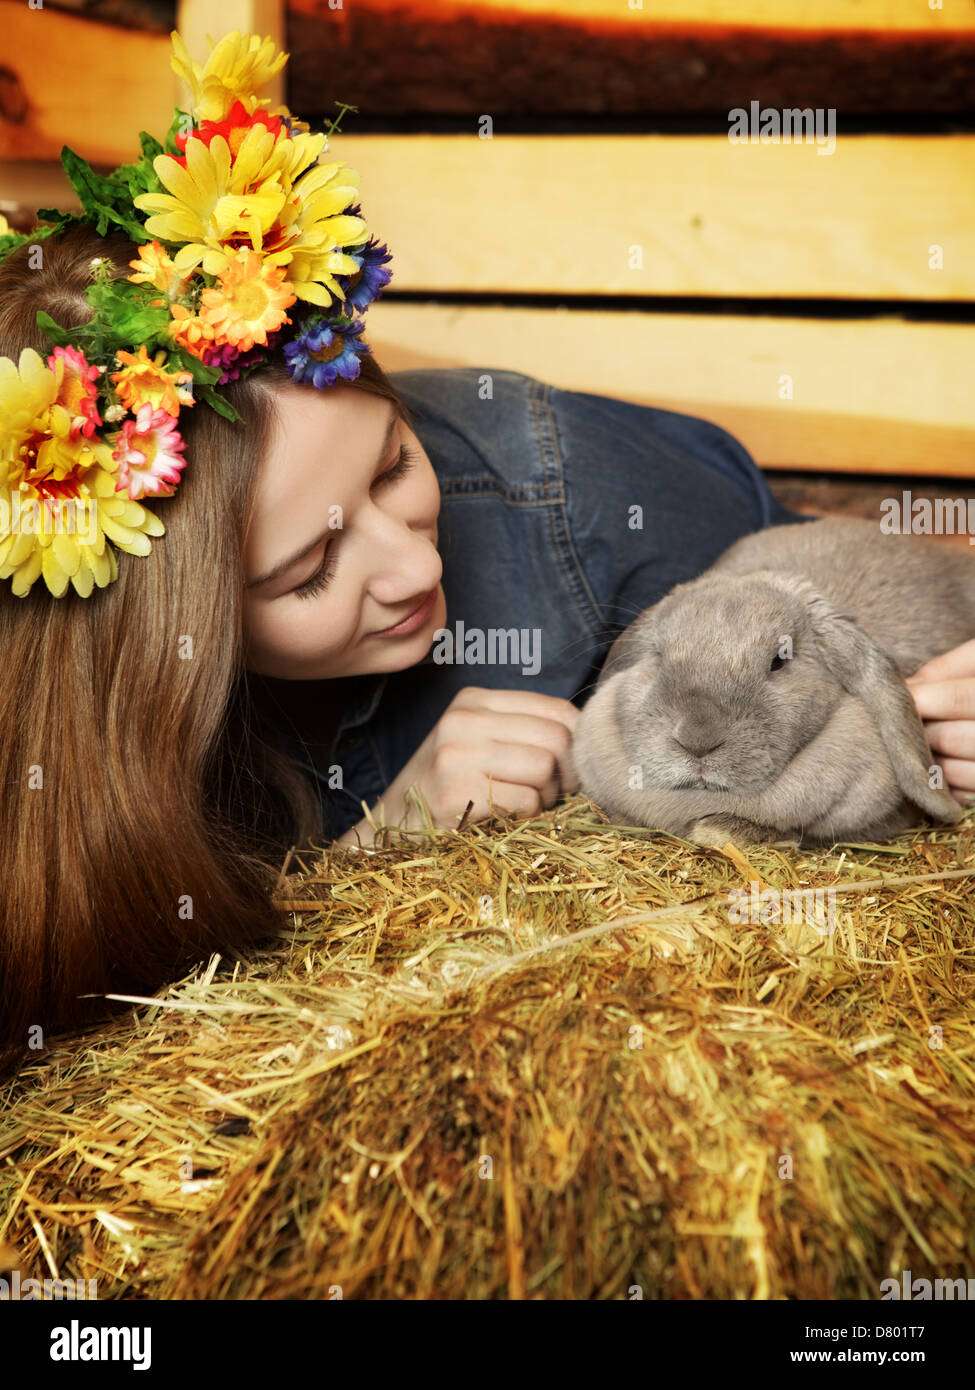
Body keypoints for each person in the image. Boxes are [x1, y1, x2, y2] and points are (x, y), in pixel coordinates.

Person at [2, 30, 972, 1071]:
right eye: (312, 572)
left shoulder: (583, 494)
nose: (417, 570)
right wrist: (377, 847)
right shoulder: (64, 721)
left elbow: (842, 614)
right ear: (160, 640)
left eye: (390, 468)